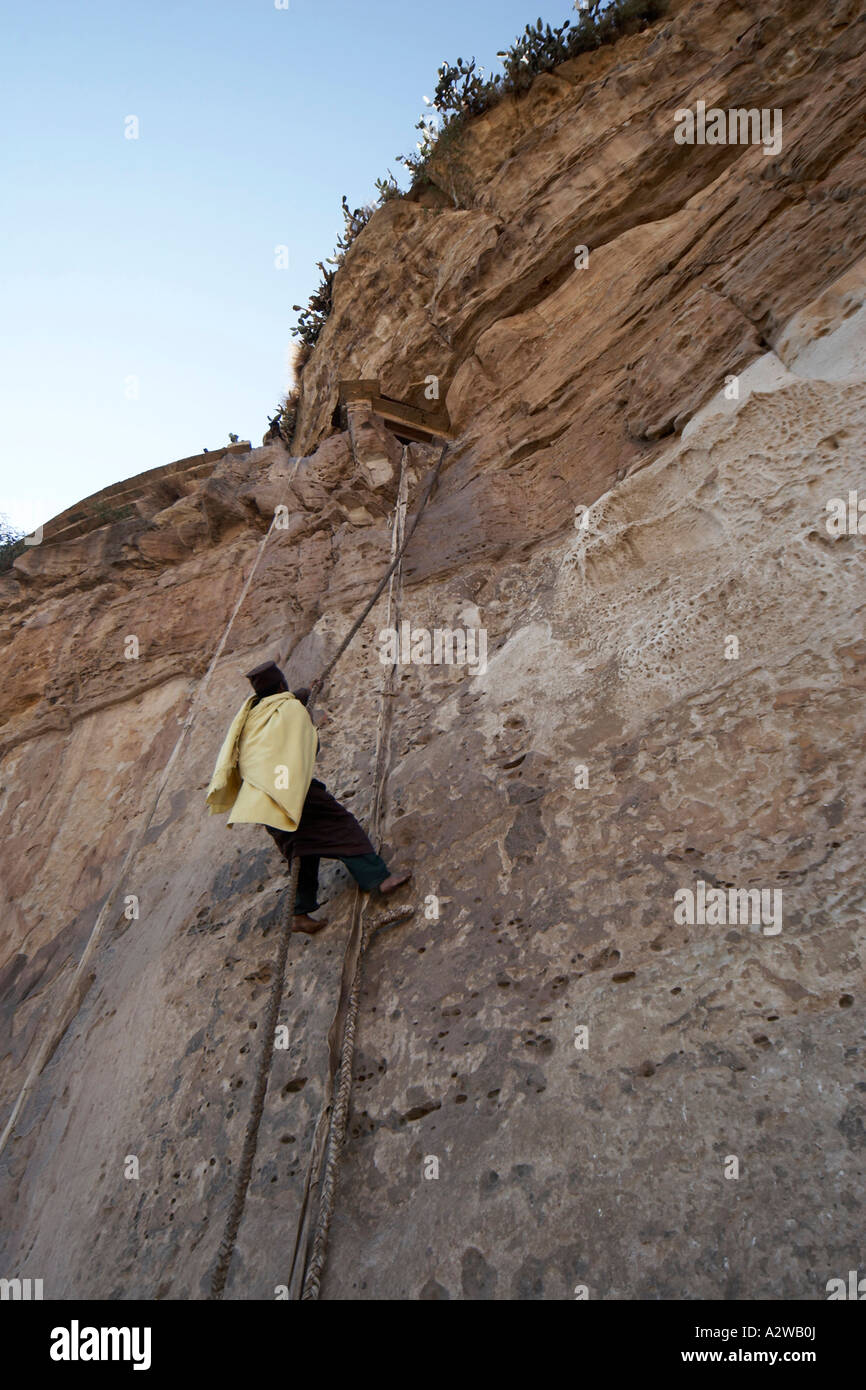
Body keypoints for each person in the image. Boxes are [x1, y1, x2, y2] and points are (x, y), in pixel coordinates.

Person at [206, 660, 411, 933]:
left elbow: (284, 712)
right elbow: (304, 745)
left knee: (301, 848)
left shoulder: (253, 715)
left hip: (259, 800)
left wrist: (305, 693)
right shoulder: (287, 708)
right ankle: (377, 878)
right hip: (290, 790)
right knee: (341, 824)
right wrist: (303, 703)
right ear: (281, 685)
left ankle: (299, 914)